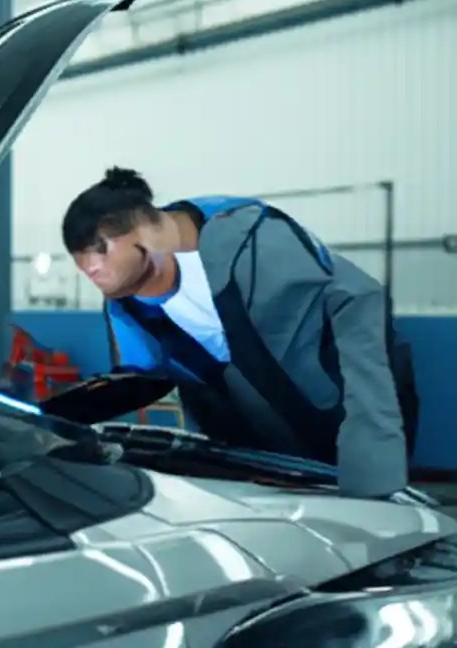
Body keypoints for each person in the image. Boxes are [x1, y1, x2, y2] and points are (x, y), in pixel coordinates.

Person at [61, 167, 418, 498]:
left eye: (101, 252)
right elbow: (137, 379)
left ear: (147, 231)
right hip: (266, 456)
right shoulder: (129, 306)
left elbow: (358, 306)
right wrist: (46, 421)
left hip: (345, 412)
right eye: (85, 267)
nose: (94, 272)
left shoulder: (253, 239)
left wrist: (373, 465)